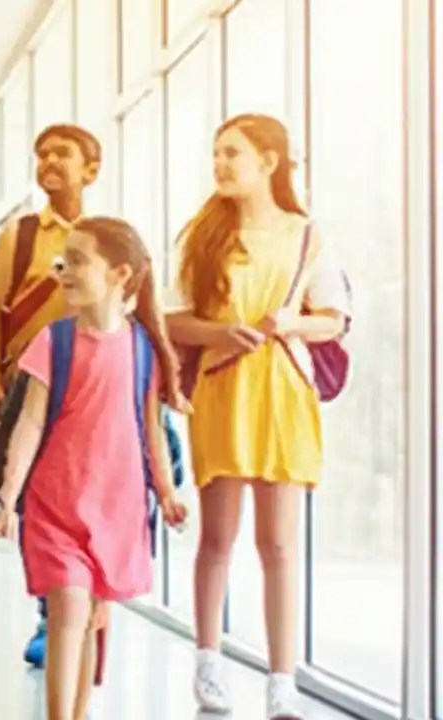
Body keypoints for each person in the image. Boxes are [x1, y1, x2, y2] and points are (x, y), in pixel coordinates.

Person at [167, 114, 350, 720]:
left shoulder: (307, 235)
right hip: (223, 392)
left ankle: (282, 679)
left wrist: (286, 323)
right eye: (216, 154)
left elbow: (334, 318)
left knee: (278, 543)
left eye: (232, 154)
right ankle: (208, 661)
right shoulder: (201, 237)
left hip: (285, 394)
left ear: (270, 162)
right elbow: (173, 319)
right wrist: (222, 332)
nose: (220, 165)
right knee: (217, 537)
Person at [0, 217, 187, 720]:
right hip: (55, 508)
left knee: (92, 620)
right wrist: (10, 496)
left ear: (120, 274)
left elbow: (150, 432)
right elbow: (29, 425)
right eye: (65, 259)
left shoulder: (141, 347)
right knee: (69, 611)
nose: (65, 271)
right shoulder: (52, 342)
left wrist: (165, 492)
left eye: (78, 261)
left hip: (115, 511)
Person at [0, 123, 101, 667]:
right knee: (36, 503)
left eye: (62, 154)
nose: (49, 161)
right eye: (41, 153)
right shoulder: (18, 236)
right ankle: (50, 617)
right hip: (29, 389)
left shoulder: (106, 239)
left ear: (90, 170)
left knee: (89, 500)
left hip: (94, 390)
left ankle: (89, 611)